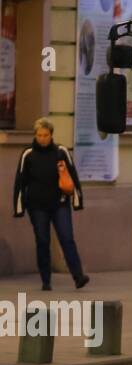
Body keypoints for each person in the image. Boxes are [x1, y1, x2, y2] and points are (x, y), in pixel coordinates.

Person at [12, 118, 88, 291]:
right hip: (37, 207)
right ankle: (46, 280)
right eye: (39, 135)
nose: (42, 138)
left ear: (51, 135)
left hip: (60, 204)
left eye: (46, 135)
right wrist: (19, 207)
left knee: (67, 239)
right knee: (42, 241)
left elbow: (73, 176)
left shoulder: (61, 151)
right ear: (35, 136)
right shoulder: (28, 154)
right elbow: (20, 182)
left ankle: (78, 276)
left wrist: (77, 201)